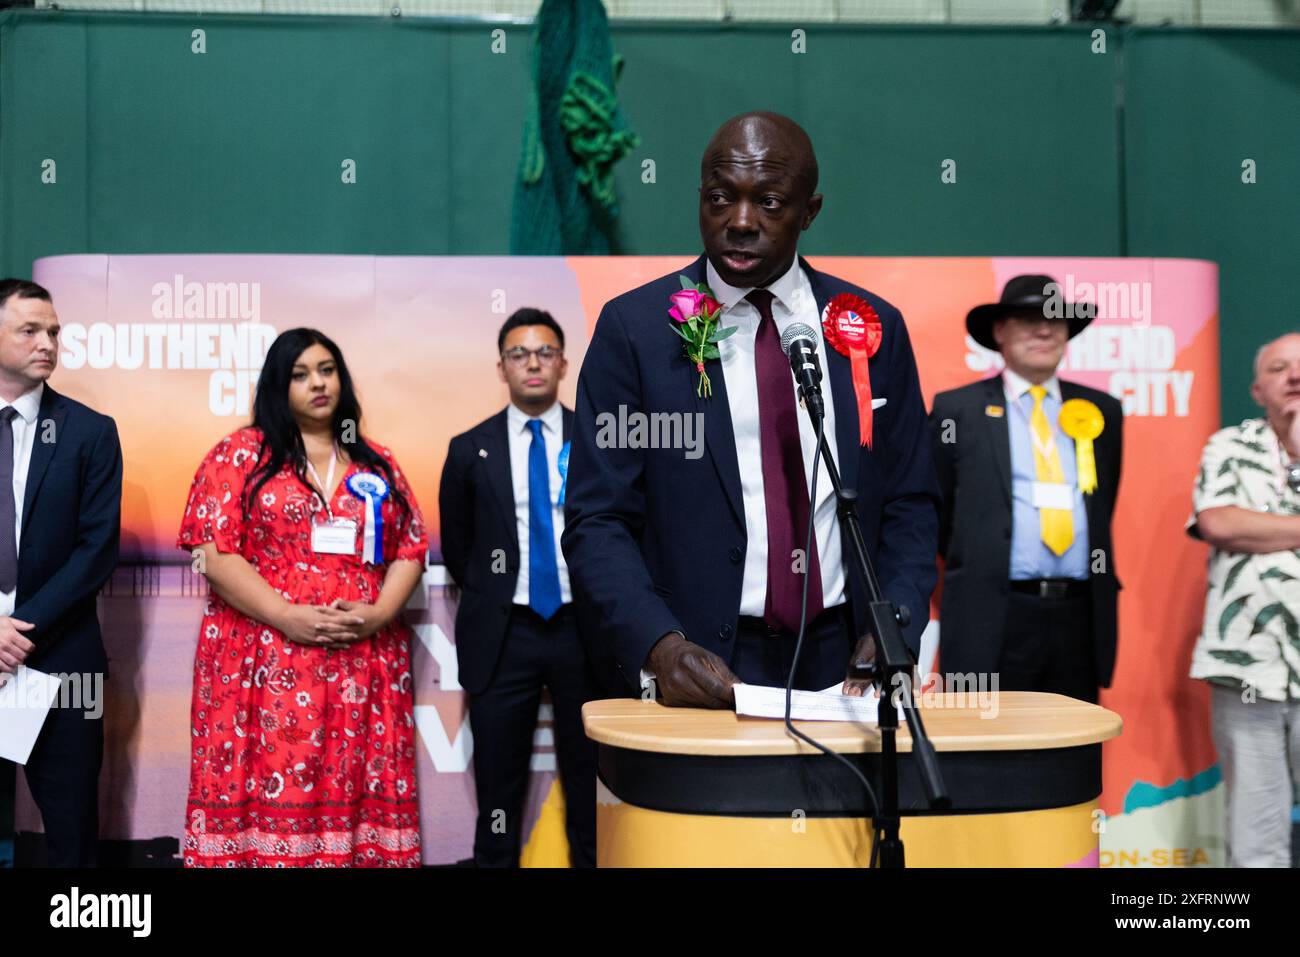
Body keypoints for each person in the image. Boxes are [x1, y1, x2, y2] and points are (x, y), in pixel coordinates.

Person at [561, 112, 940, 706]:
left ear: (809, 212)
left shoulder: (870, 326)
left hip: (848, 660)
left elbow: (911, 503)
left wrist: (894, 624)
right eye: (720, 198)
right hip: (700, 663)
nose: (740, 222)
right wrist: (660, 646)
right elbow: (597, 519)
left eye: (768, 201)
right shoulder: (634, 330)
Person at [177, 327, 428, 867]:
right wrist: (286, 614)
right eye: (300, 374)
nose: (318, 383)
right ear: (277, 384)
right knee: (270, 786)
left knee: (353, 786)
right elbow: (212, 553)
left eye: (327, 369)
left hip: (362, 661)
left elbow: (412, 545)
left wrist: (380, 613)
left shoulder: (375, 462)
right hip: (264, 657)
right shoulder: (241, 454)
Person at [439, 308, 597, 867]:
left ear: (563, 363)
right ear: (501, 367)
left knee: (591, 792)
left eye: (545, 352)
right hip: (506, 636)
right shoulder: (468, 450)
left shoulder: (597, 440)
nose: (533, 363)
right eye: (519, 354)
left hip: (585, 633)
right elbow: (461, 552)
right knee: (498, 798)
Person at [929, 275, 1123, 703]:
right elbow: (938, 512)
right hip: (991, 611)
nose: (1044, 330)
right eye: (1027, 319)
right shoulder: (956, 410)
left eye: (1056, 320)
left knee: (1074, 754)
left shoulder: (1101, 411)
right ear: (999, 332)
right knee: (982, 753)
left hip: (1078, 614)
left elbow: (1102, 504)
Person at [0, 278, 121, 867]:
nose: (47, 342)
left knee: (72, 835)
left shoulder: (90, 432)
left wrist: (15, 630)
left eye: (53, 331)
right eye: (30, 330)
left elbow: (95, 551)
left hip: (57, 659)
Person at [1187, 332, 1300, 868]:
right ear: (1258, 389)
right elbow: (1220, 521)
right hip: (1246, 666)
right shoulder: (1229, 445)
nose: (1295, 377)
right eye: (1280, 368)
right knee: (1257, 826)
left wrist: (1269, 528)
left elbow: (1246, 526)